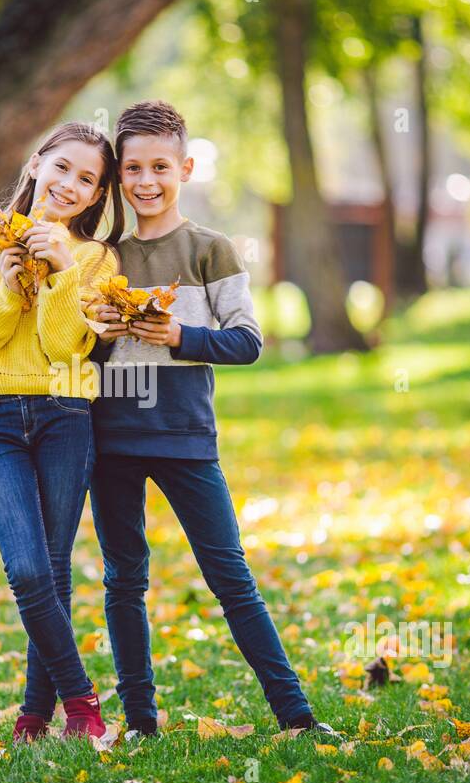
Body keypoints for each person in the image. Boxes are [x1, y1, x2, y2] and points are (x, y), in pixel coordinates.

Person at [86, 100, 337, 738]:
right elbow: (79, 348)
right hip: (111, 437)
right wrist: (101, 333)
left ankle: (296, 716)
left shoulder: (211, 250)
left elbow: (247, 341)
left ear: (186, 168)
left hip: (185, 437)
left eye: (160, 167)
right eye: (134, 168)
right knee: (124, 581)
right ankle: (140, 722)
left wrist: (180, 335)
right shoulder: (101, 258)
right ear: (119, 176)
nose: (147, 181)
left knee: (231, 577)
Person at [0, 122, 121, 741]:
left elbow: (71, 348)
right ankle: (81, 699)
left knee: (56, 568)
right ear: (38, 164)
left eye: (87, 180)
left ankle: (35, 714)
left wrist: (62, 275)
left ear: (96, 198)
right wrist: (8, 296)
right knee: (29, 571)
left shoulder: (95, 261)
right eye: (62, 167)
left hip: (68, 416)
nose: (70, 185)